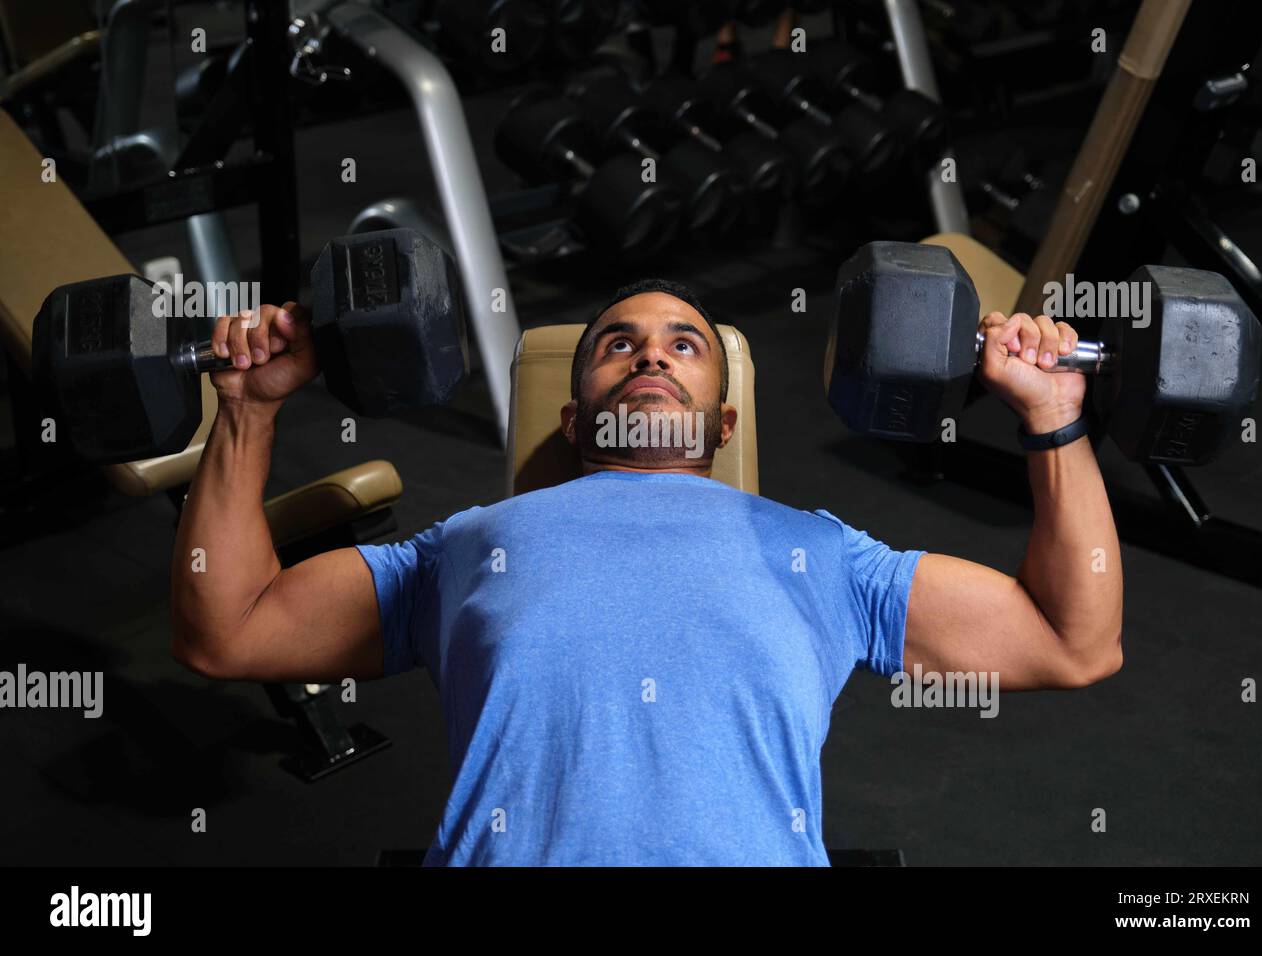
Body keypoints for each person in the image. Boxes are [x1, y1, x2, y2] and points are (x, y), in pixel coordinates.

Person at [171, 278, 1122, 865]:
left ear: (724, 424)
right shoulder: (466, 545)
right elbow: (231, 630)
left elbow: (1073, 643)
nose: (650, 354)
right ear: (577, 420)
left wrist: (1053, 417)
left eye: (684, 344)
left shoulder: (823, 554)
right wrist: (248, 411)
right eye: (617, 344)